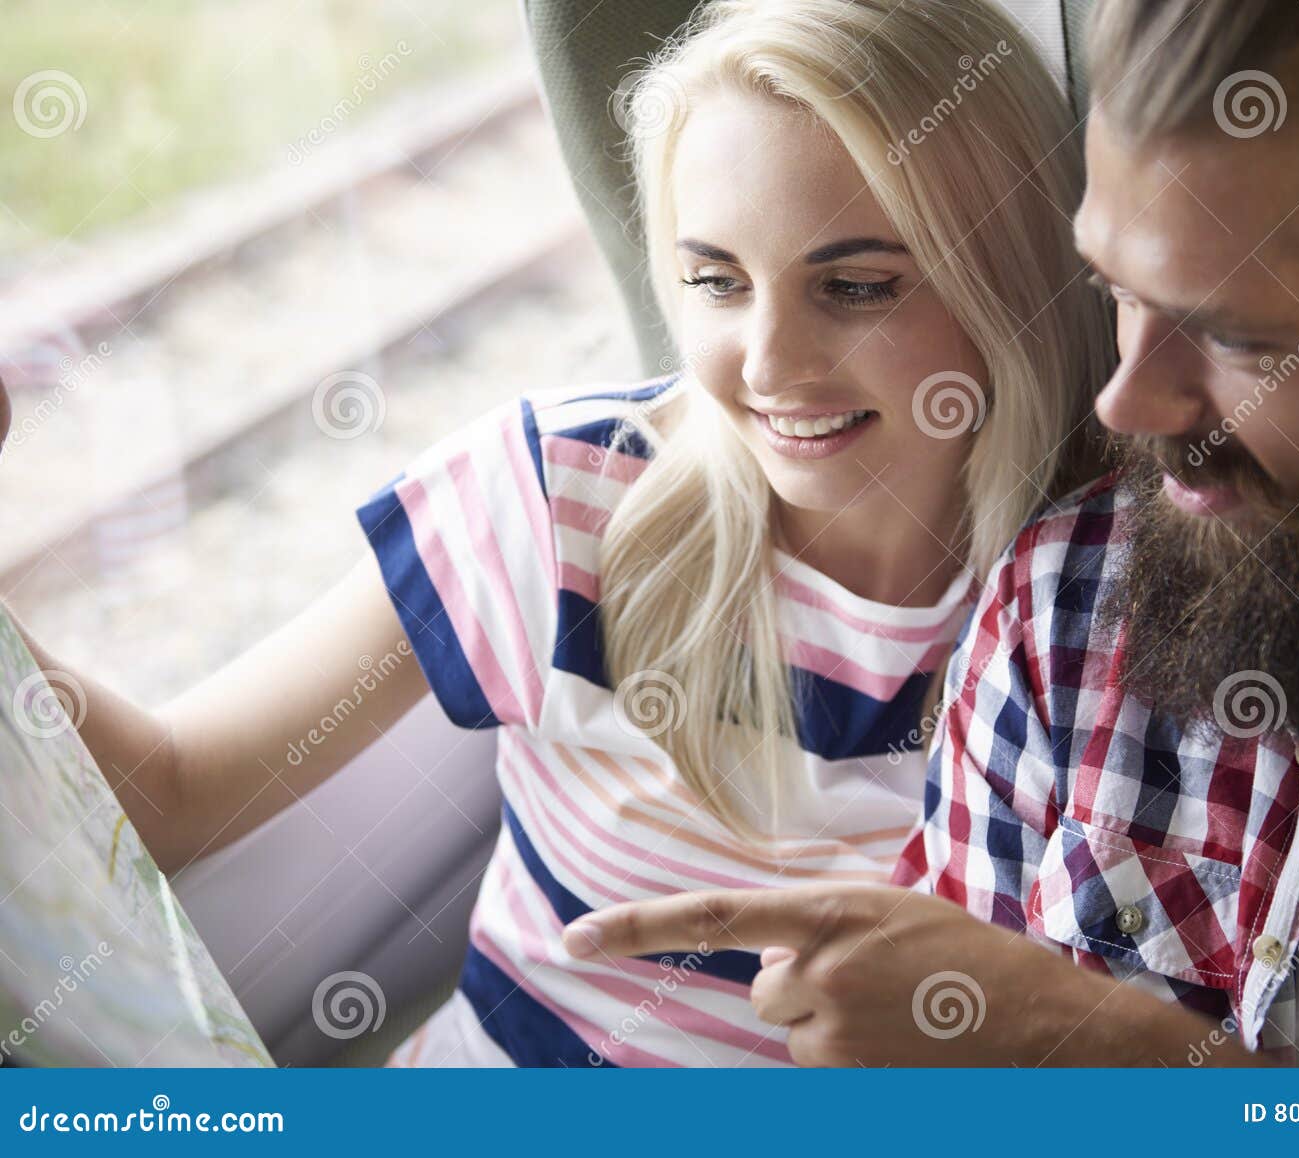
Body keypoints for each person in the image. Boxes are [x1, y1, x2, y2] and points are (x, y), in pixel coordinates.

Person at [0, 0, 1113, 1066]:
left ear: (1008, 273)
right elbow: (173, 792)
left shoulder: (1092, 619)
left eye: (856, 286)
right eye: (716, 283)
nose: (769, 366)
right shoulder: (557, 498)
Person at [564, 0, 1299, 1069]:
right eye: (1117, 293)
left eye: (1236, 337)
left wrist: (1116, 1056)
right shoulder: (1066, 605)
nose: (1123, 407)